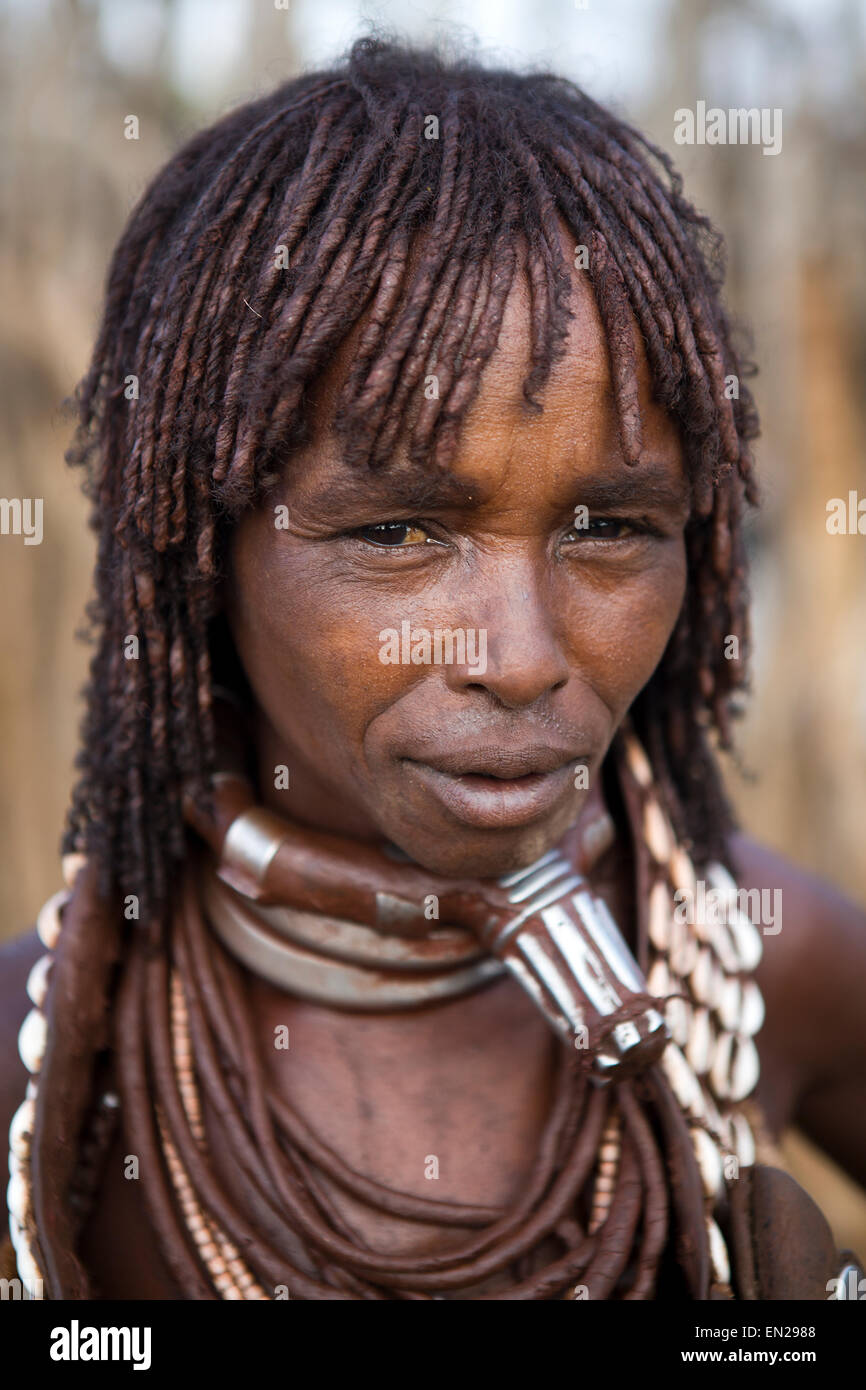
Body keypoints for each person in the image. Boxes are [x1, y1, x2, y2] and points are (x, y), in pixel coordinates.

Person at [2, 37, 865, 1301]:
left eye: (609, 528)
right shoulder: (42, 1051)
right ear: (201, 549)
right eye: (398, 531)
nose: (517, 657)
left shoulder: (762, 965)